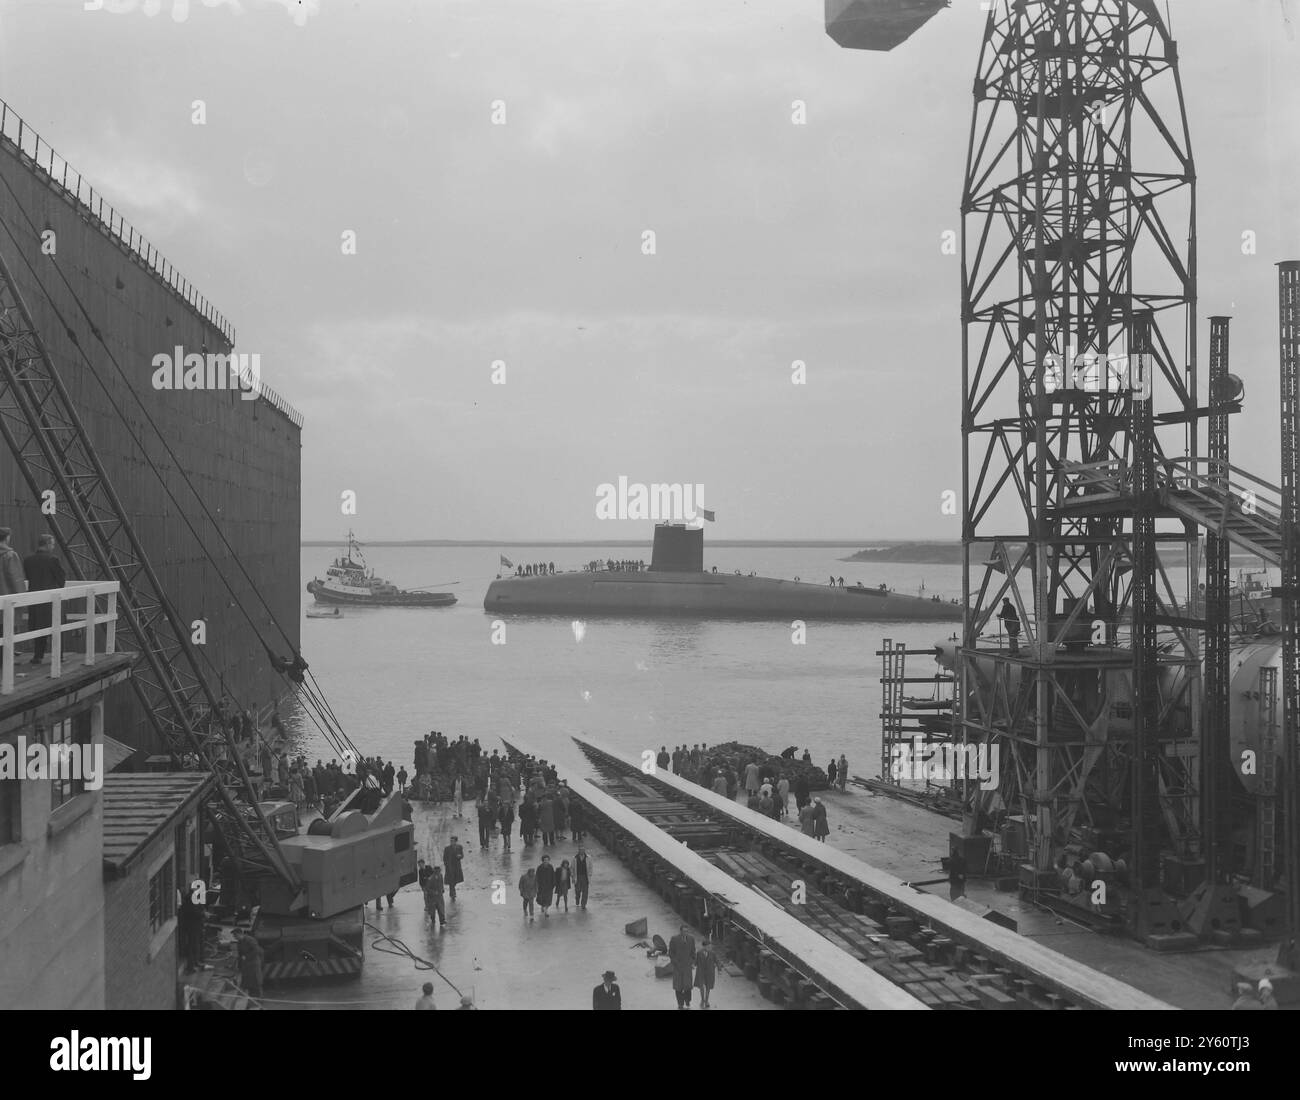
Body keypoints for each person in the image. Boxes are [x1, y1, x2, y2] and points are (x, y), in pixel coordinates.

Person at [21, 534, 64, 663]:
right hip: (51, 600)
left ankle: (38, 656)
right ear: (46, 544)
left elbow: (29, 577)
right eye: (52, 544)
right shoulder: (53, 559)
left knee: (38, 627)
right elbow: (61, 579)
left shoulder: (28, 560)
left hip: (34, 599)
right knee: (56, 627)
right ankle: (58, 656)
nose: (53, 547)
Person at [668, 924, 697, 1010]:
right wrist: (675, 962)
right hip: (678, 967)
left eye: (687, 931)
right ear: (680, 931)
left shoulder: (691, 939)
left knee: (688, 986)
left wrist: (692, 961)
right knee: (678, 986)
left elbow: (693, 952)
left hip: (687, 967)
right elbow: (671, 953)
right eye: (684, 931)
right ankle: (680, 1003)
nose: (685, 933)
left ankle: (687, 1001)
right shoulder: (674, 939)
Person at [234, 928, 264, 999]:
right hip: (246, 964)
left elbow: (256, 950)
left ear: (239, 934)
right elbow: (240, 954)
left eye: (235, 935)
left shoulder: (250, 940)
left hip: (254, 963)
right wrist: (239, 965)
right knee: (248, 981)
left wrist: (247, 957)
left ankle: (260, 997)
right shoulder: (239, 942)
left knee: (256, 981)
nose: (235, 937)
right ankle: (252, 997)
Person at [693, 939, 717, 1009]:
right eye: (708, 946)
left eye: (710, 947)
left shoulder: (713, 953)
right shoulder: (699, 953)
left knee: (708, 987)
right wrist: (693, 965)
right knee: (701, 987)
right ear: (704, 946)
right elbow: (696, 961)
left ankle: (706, 1000)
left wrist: (719, 968)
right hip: (701, 972)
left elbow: (717, 960)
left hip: (709, 973)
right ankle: (702, 1000)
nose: (709, 948)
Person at [424, 865, 446, 929]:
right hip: (432, 898)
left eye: (439, 871)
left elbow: (441, 883)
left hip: (439, 896)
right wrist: (433, 892)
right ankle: (433, 920)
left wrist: (442, 889)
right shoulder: (431, 878)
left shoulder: (440, 876)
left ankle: (442, 921)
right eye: (438, 871)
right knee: (433, 910)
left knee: (441, 909)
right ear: (435, 871)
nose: (439, 872)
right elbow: (427, 888)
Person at [443, 836, 465, 902]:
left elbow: (462, 855)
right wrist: (446, 865)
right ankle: (452, 893)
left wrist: (460, 856)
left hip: (457, 866)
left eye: (453, 841)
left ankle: (452, 890)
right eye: (451, 841)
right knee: (451, 880)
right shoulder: (447, 848)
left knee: (455, 879)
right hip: (450, 866)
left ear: (456, 841)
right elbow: (444, 858)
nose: (451, 842)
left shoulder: (459, 847)